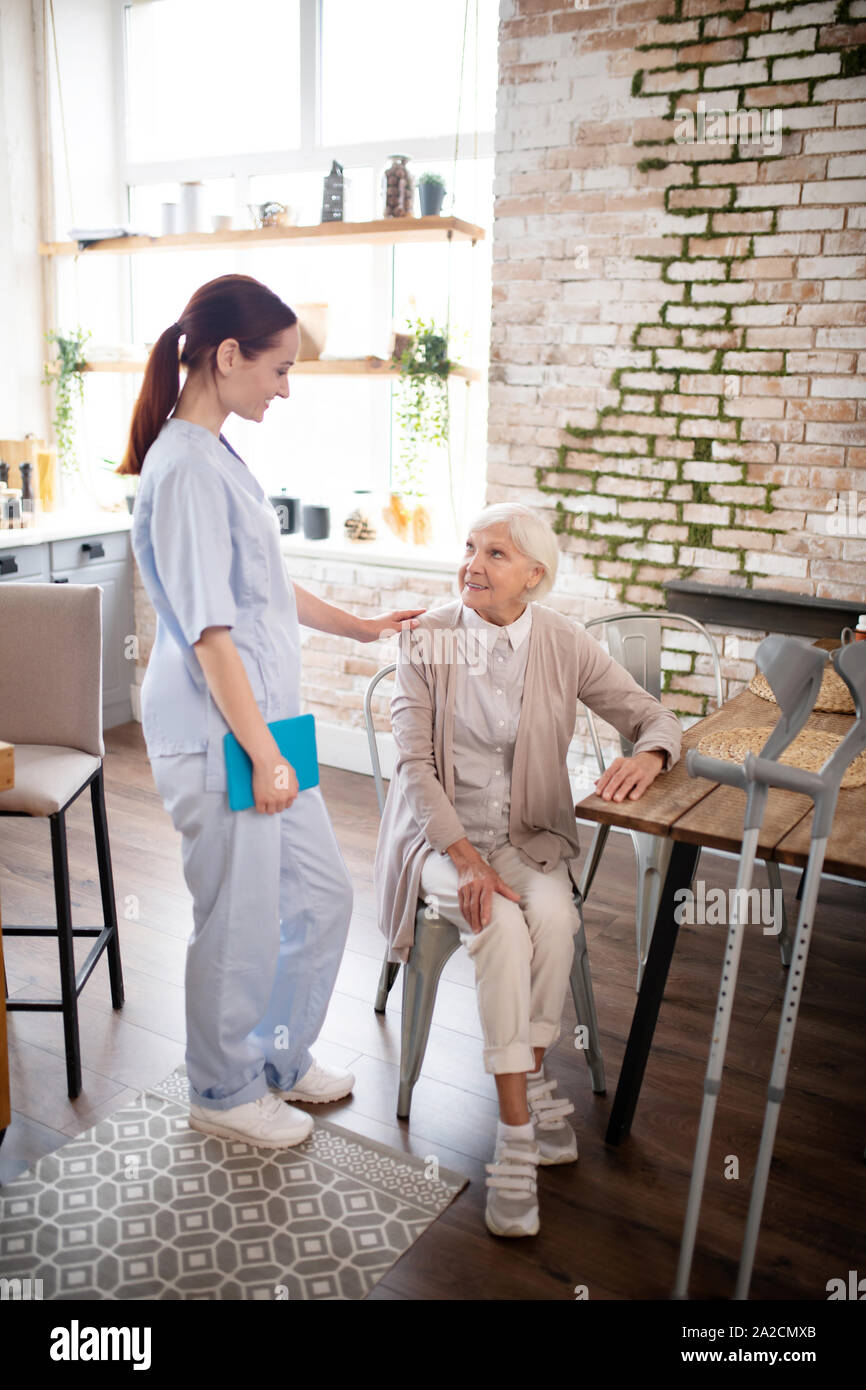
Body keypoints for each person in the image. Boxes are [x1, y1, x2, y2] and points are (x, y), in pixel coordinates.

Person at [122, 274, 423, 1150]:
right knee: (240, 916)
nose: (285, 389)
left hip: (263, 727)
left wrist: (361, 626)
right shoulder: (180, 469)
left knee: (323, 897)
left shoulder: (217, 457)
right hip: (223, 735)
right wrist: (264, 754)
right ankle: (222, 1089)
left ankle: (278, 1060)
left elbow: (262, 590)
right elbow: (213, 635)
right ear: (227, 358)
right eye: (279, 370)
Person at [374, 502, 682, 1236]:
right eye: (470, 548)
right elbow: (413, 767)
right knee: (502, 926)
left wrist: (649, 754)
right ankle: (516, 1135)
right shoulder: (431, 640)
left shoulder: (563, 642)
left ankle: (532, 1075)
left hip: (528, 835)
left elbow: (654, 716)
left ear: (534, 576)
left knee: (555, 915)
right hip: (440, 840)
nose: (472, 566)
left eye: (496, 555)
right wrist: (466, 859)